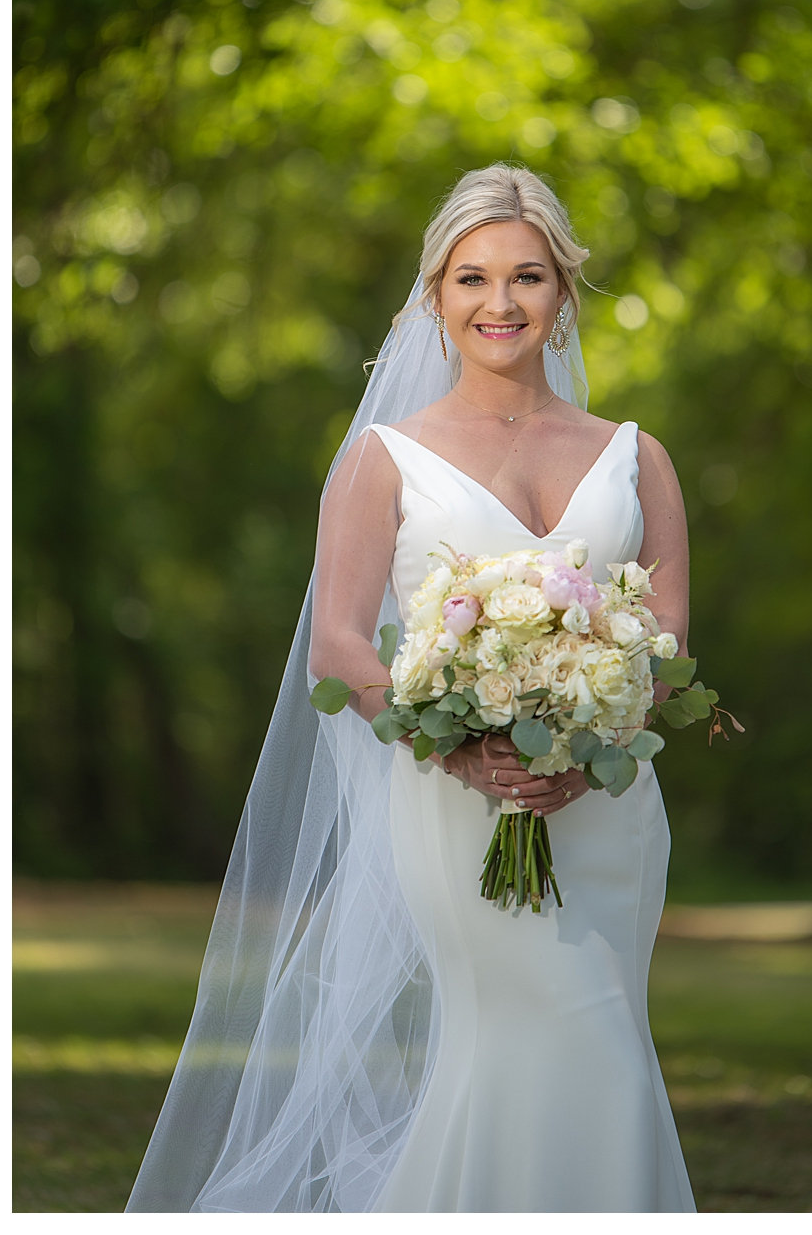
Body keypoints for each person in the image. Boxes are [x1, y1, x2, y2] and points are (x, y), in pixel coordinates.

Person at [127, 165, 697, 1211]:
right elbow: (337, 646)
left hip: (605, 811)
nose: (499, 303)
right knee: (571, 1031)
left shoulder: (635, 457)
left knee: (598, 1026)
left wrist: (583, 745)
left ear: (562, 294)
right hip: (451, 801)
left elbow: (663, 637)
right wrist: (457, 746)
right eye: (471, 278)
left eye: (526, 277)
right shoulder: (381, 458)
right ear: (432, 298)